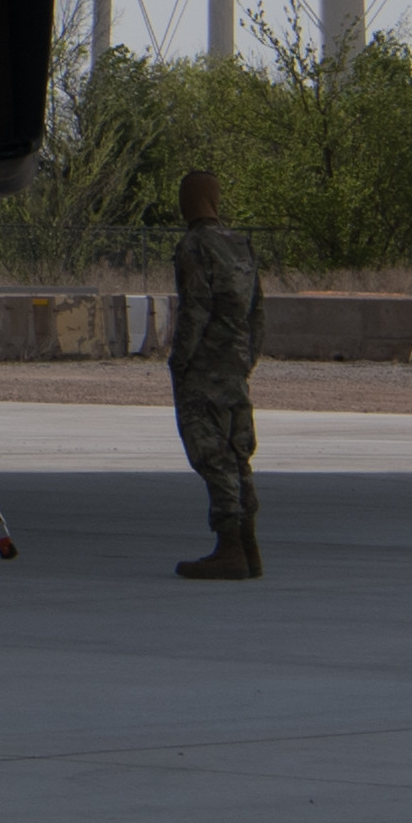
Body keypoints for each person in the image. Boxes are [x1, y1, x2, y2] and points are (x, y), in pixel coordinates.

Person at [170, 166, 263, 579]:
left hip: (205, 368)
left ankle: (229, 548)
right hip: (235, 368)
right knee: (239, 454)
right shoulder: (241, 245)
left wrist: (181, 360)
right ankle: (248, 544)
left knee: (211, 455)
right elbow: (257, 311)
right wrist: (246, 358)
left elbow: (196, 307)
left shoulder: (194, 245)